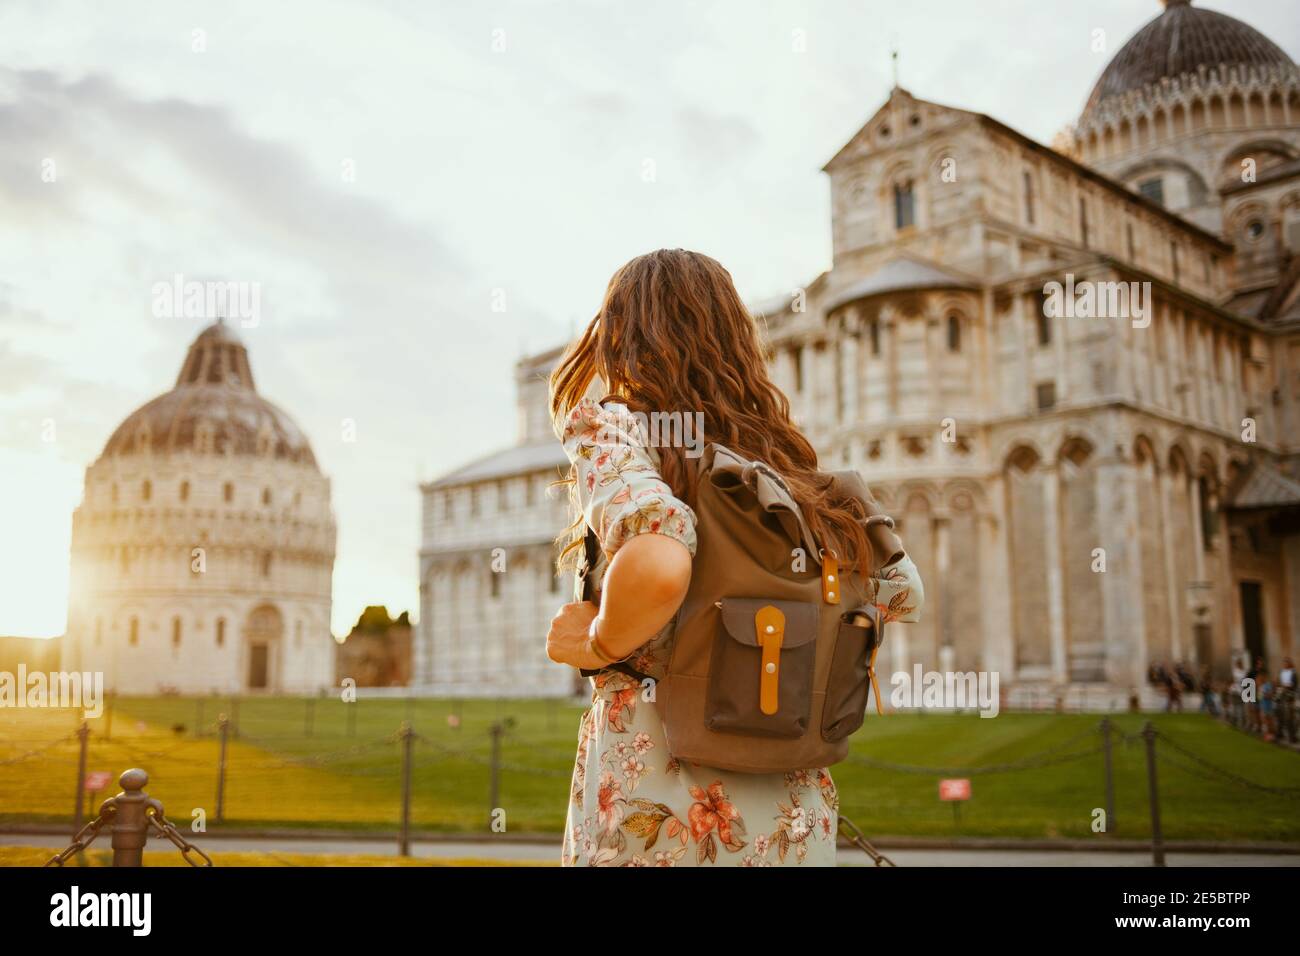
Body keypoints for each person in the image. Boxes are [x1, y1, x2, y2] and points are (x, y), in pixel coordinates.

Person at [545, 249, 924, 867]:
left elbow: (661, 558)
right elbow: (902, 594)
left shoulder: (618, 430)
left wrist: (595, 641)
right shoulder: (792, 470)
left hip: (660, 796)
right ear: (739, 341)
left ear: (619, 333)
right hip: (791, 808)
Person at [1278, 658, 1298, 744]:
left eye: (1287, 663)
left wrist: (1287, 687)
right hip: (1283, 695)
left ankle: (1293, 736)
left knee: (1291, 716)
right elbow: (1280, 683)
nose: (1285, 664)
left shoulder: (1293, 672)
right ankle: (1289, 735)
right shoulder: (1282, 672)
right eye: (1284, 663)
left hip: (1290, 696)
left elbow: (1294, 684)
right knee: (1285, 716)